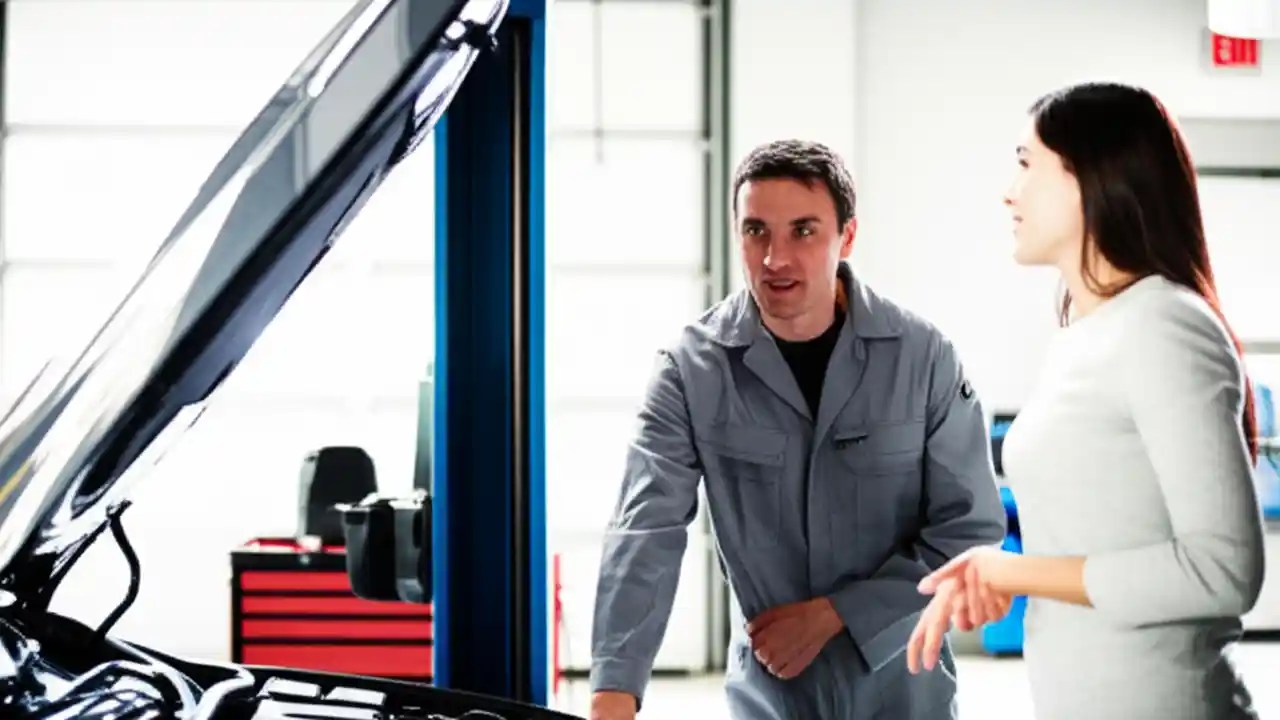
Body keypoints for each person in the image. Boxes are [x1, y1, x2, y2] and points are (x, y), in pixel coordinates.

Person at [588, 139, 1007, 719]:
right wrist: (614, 697)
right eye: (756, 231)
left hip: (906, 693)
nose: (774, 258)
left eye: (803, 232)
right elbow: (645, 533)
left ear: (848, 236)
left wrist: (836, 614)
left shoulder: (923, 358)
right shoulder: (691, 370)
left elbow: (970, 530)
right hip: (771, 698)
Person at [905, 82, 1267, 720]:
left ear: (1091, 178)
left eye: (1026, 163)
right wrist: (1003, 578)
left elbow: (1225, 568)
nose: (1008, 191)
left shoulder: (1165, 324)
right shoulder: (1085, 334)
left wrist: (1014, 573)